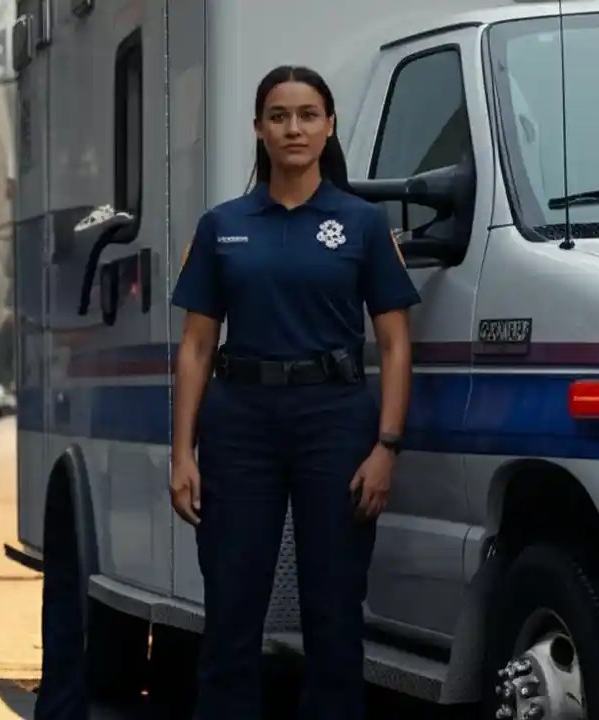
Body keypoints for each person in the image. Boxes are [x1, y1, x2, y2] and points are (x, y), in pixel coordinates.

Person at [169, 64, 420, 719]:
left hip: (335, 419)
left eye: (308, 114)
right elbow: (197, 346)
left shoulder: (361, 224)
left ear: (329, 125)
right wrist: (182, 454)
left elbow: (395, 343)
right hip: (240, 421)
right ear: (259, 129)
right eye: (279, 116)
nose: (294, 128)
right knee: (231, 603)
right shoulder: (222, 225)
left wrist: (386, 446)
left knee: (333, 608)